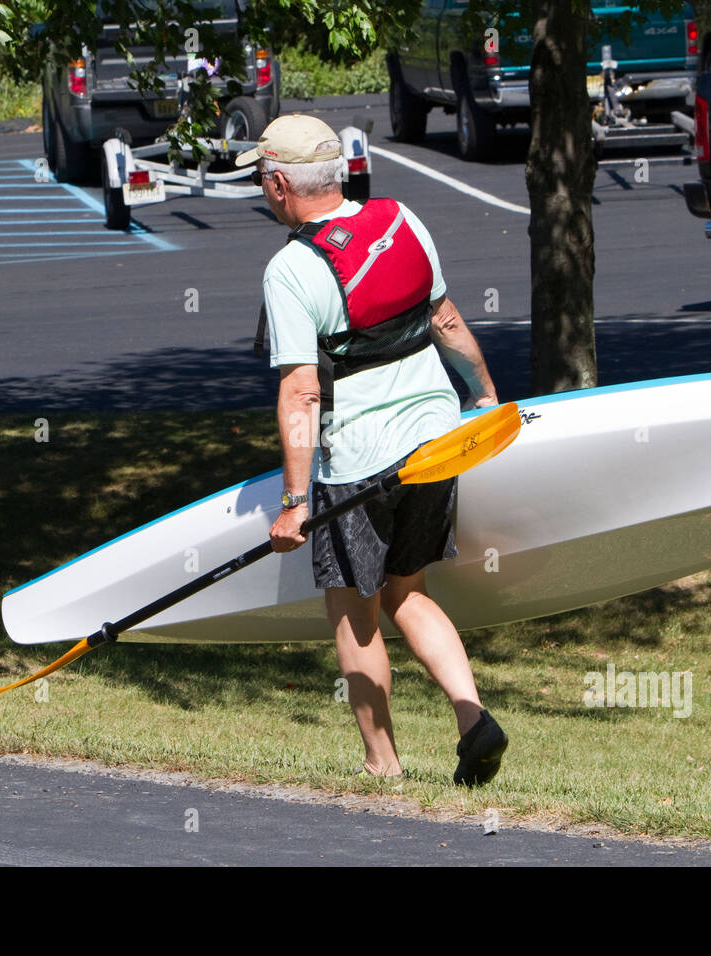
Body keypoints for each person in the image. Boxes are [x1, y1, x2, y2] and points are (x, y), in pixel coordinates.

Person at [235, 114, 508, 785]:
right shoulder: (400, 219)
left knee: (354, 614)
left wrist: (295, 503)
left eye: (261, 179)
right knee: (406, 592)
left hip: (358, 463)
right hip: (434, 443)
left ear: (279, 184)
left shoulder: (293, 269)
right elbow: (445, 320)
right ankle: (474, 719)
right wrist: (485, 398)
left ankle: (382, 765)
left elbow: (301, 393)